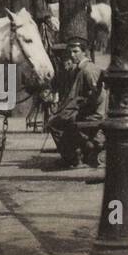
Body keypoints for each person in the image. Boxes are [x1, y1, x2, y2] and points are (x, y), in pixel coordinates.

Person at [45, 37, 104, 169]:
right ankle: (74, 155)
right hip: (84, 111)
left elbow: (97, 96)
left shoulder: (88, 69)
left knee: (55, 124)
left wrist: (79, 109)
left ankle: (74, 157)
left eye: (76, 51)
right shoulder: (80, 68)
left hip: (92, 113)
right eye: (71, 52)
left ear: (85, 52)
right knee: (57, 120)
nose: (72, 55)